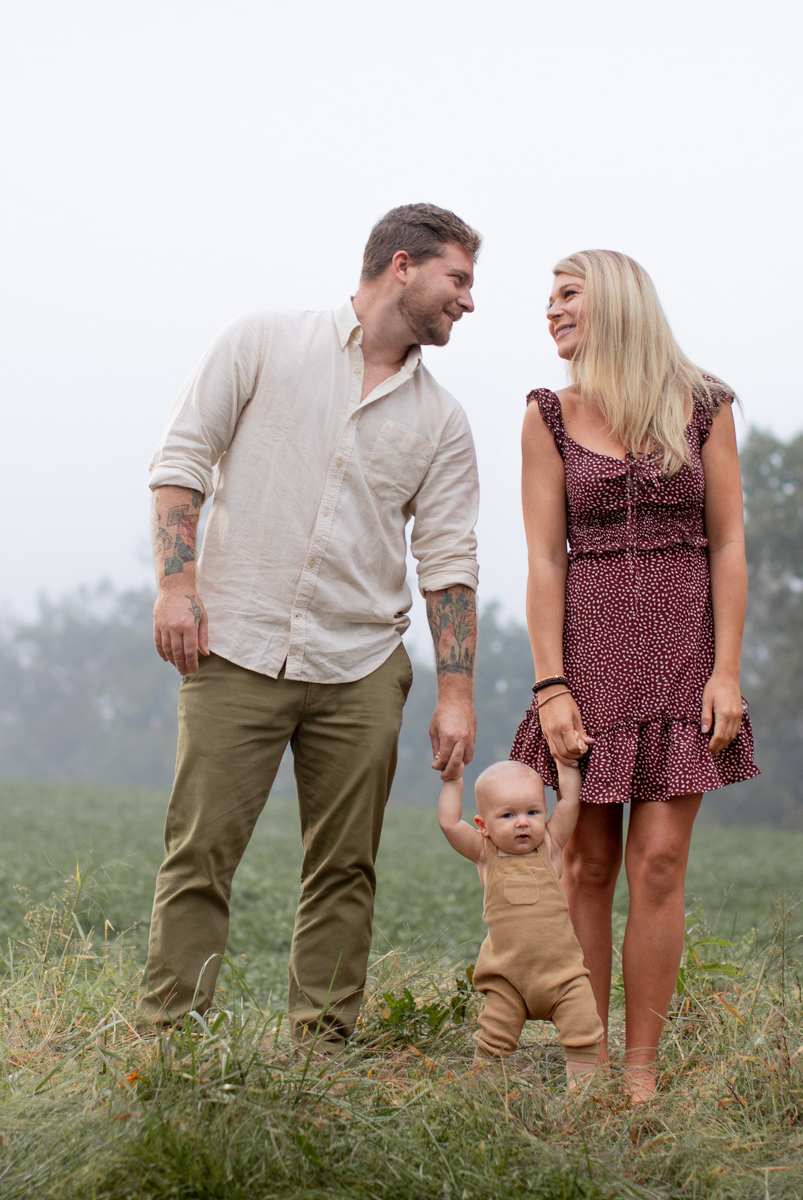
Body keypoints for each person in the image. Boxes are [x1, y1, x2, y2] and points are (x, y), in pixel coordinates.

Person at [139, 203, 483, 1051]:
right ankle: (169, 1045)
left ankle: (322, 1056)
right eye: (460, 279)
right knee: (199, 855)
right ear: (402, 266)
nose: (469, 302)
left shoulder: (442, 421)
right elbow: (181, 463)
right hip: (236, 646)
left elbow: (448, 563)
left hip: (361, 665)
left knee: (345, 870)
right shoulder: (262, 341)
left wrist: (457, 694)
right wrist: (176, 589)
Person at [510, 249, 759, 1101]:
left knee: (658, 864)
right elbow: (544, 559)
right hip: (587, 666)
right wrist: (551, 685)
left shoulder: (704, 408)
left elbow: (728, 543)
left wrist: (727, 671)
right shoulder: (548, 415)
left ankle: (641, 1075)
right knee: (583, 866)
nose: (551, 311)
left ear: (613, 304)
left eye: (567, 295)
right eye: (549, 299)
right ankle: (589, 1065)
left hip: (681, 659)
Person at [438, 759, 603, 1088]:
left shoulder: (551, 846)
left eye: (532, 812)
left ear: (544, 812)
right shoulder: (485, 855)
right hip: (507, 979)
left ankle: (583, 1102)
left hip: (563, 976)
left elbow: (570, 801)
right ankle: (481, 1095)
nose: (522, 823)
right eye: (508, 816)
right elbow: (449, 823)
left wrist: (565, 763)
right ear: (483, 825)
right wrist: (453, 781)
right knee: (493, 1039)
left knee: (584, 1029)